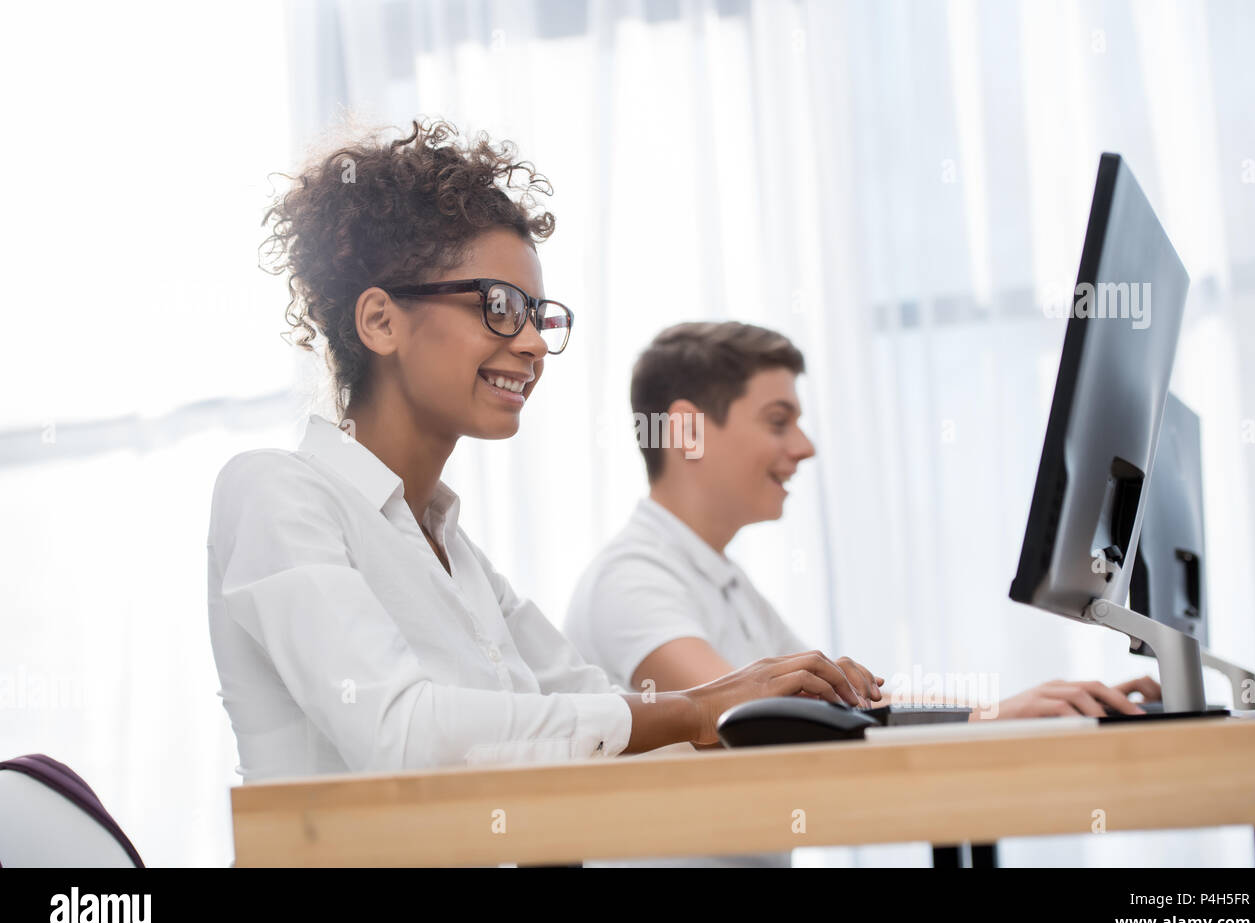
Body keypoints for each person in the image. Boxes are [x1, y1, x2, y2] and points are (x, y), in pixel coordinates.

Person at [206, 120, 886, 791]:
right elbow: (400, 732)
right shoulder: (275, 492)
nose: (531, 342)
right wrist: (699, 706)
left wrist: (770, 704)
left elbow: (607, 723)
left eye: (538, 314)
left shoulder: (455, 551)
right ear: (381, 321)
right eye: (499, 306)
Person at [564, 321, 1162, 865]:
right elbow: (753, 725)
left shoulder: (722, 582)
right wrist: (994, 716)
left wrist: (1011, 711)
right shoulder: (631, 580)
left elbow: (845, 706)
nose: (804, 446)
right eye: (778, 421)